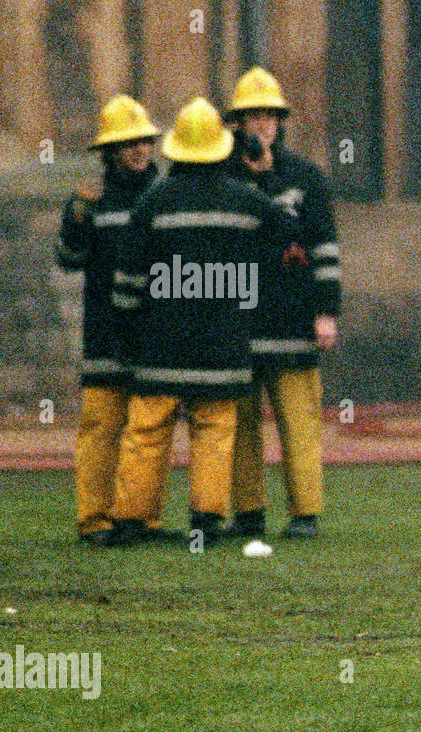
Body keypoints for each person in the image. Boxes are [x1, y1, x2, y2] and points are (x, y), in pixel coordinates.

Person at [105, 97, 300, 547]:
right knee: (214, 433)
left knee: (147, 431)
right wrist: (265, 175)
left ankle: (132, 521)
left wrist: (126, 330)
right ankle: (205, 522)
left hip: (161, 346)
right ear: (219, 148)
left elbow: (128, 277)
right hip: (223, 347)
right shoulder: (246, 201)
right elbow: (289, 232)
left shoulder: (153, 202)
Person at [223, 67, 341, 541]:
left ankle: (304, 513)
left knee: (299, 421)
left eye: (270, 115)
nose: (262, 125)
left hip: (293, 322)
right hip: (238, 322)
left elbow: (325, 249)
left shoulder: (306, 179)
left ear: (280, 122)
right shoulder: (220, 178)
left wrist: (326, 311)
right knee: (241, 424)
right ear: (237, 123)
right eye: (253, 116)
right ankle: (248, 514)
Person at [57, 95, 164, 545]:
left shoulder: (164, 197)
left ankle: (140, 519)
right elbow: (68, 260)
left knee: (151, 432)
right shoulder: (90, 202)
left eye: (143, 142)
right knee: (102, 428)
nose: (139, 150)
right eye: (128, 144)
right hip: (104, 331)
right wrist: (78, 218)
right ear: (109, 152)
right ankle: (96, 520)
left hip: (155, 331)